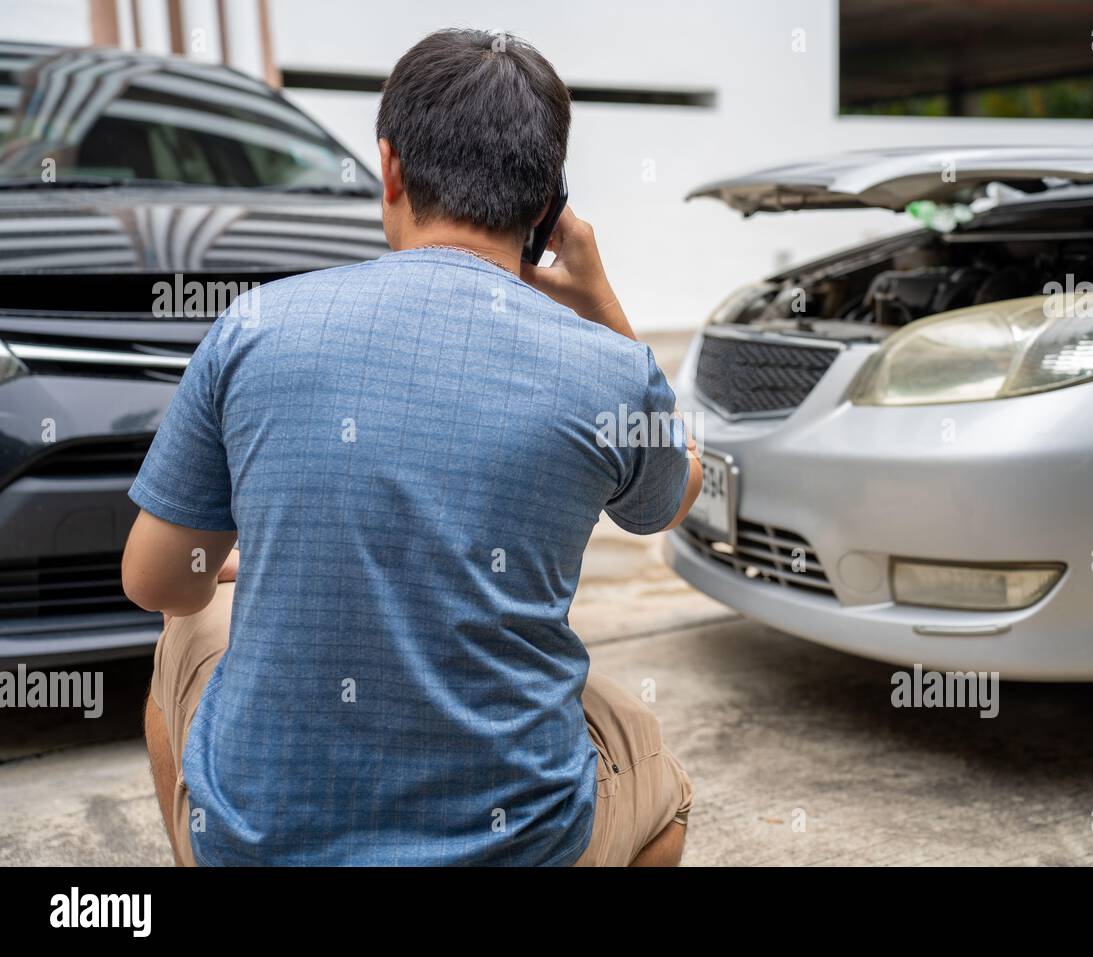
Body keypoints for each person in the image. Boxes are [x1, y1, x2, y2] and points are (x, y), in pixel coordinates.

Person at [123, 27, 702, 866]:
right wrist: (602, 304)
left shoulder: (253, 324)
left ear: (389, 168)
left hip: (261, 844)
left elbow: (154, 582)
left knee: (187, 635)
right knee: (656, 772)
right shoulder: (609, 368)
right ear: (548, 207)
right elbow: (670, 498)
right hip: (520, 844)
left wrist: (248, 555)